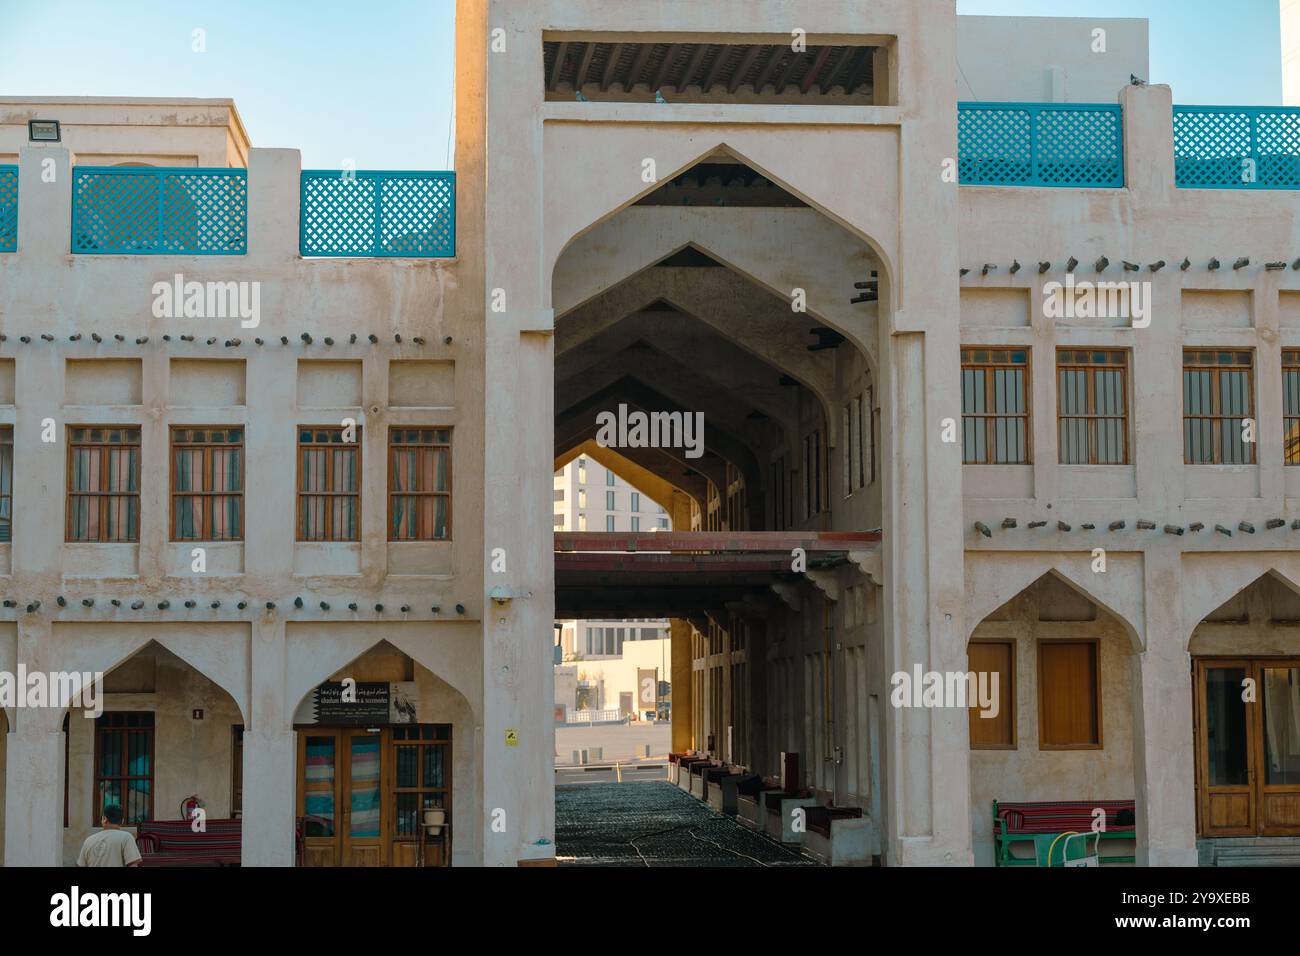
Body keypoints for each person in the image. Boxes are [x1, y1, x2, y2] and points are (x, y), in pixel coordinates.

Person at [76, 804, 142, 867]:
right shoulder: (126, 837)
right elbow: (133, 864)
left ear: (104, 819)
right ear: (122, 821)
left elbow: (81, 865)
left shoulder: (89, 840)